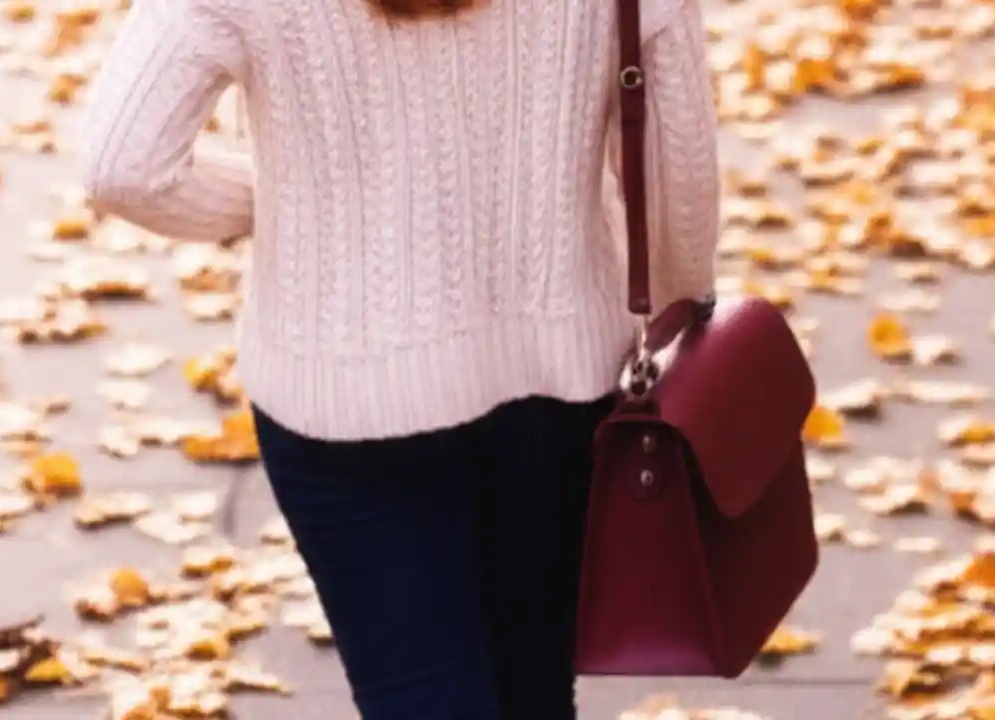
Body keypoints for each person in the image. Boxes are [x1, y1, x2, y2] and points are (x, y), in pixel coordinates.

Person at [79, 0, 718, 716]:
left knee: (417, 693)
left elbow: (123, 165)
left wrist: (276, 200)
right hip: (559, 380)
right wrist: (681, 307)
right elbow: (680, 167)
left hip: (343, 393)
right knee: (534, 686)